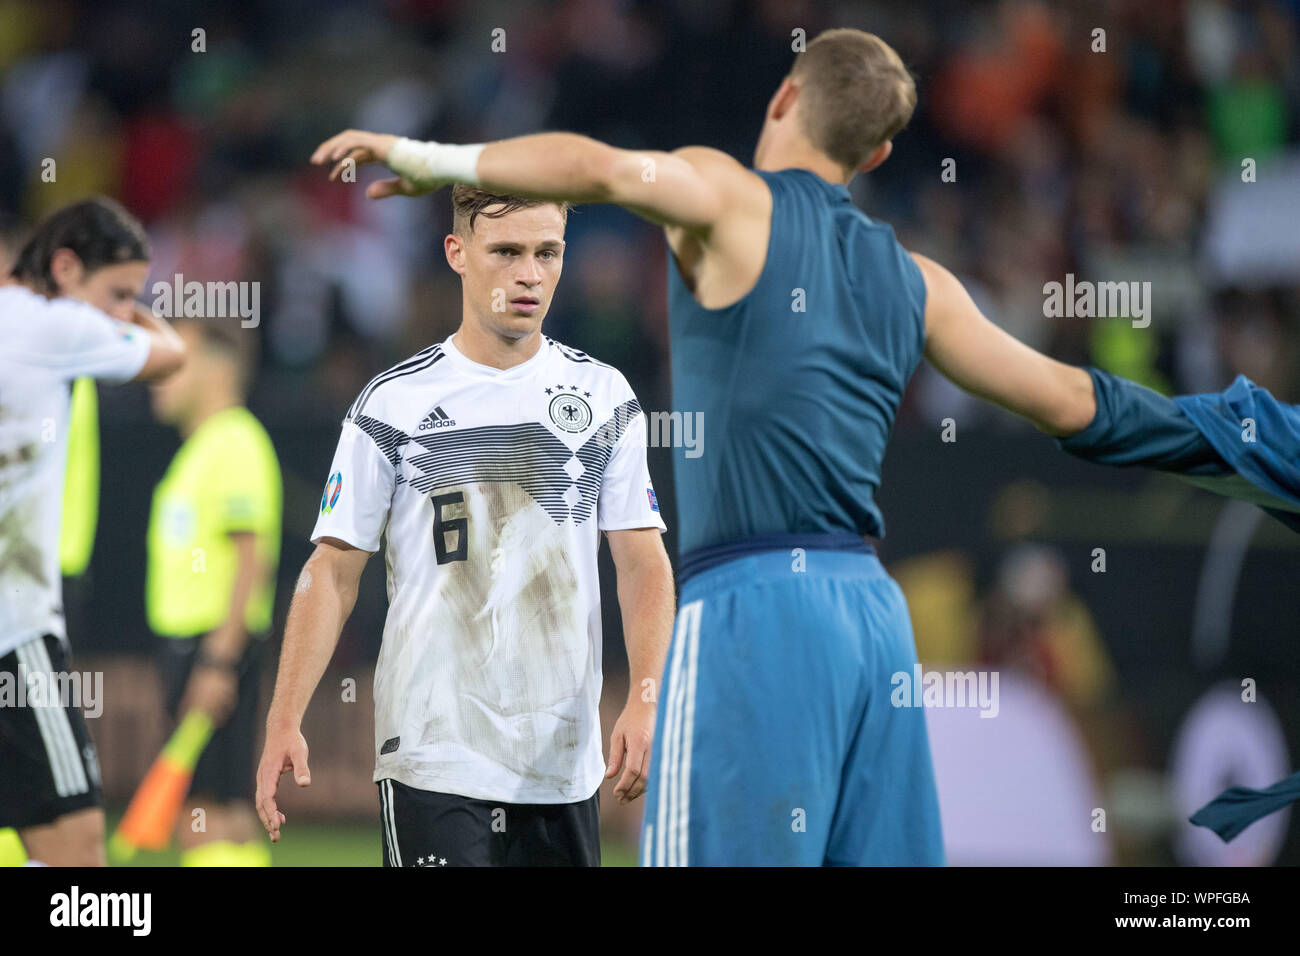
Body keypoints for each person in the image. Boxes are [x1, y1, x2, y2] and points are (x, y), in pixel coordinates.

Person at [310, 26, 1300, 865]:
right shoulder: (917, 281)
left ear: (784, 96)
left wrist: (435, 160)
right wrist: (1246, 434)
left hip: (753, 612)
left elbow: (604, 170)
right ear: (873, 159)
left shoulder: (728, 198)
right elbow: (1073, 402)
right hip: (875, 620)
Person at [255, 186, 674, 866]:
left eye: (547, 253)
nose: (529, 273)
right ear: (457, 252)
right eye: (506, 251)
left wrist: (647, 699)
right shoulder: (393, 402)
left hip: (561, 761)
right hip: (433, 753)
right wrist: (284, 716)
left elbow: (642, 563)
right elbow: (331, 571)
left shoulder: (604, 396)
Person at [0, 197, 185, 866]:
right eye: (116, 292)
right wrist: (134, 318)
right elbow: (171, 355)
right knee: (80, 859)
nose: (117, 310)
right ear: (66, 266)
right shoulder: (55, 328)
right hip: (14, 635)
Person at [146, 316, 281, 867]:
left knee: (212, 815)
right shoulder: (204, 447)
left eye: (174, 362)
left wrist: (217, 662)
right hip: (193, 649)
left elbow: (255, 561)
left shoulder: (235, 442)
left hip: (213, 649)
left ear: (215, 368)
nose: (158, 376)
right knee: (208, 810)